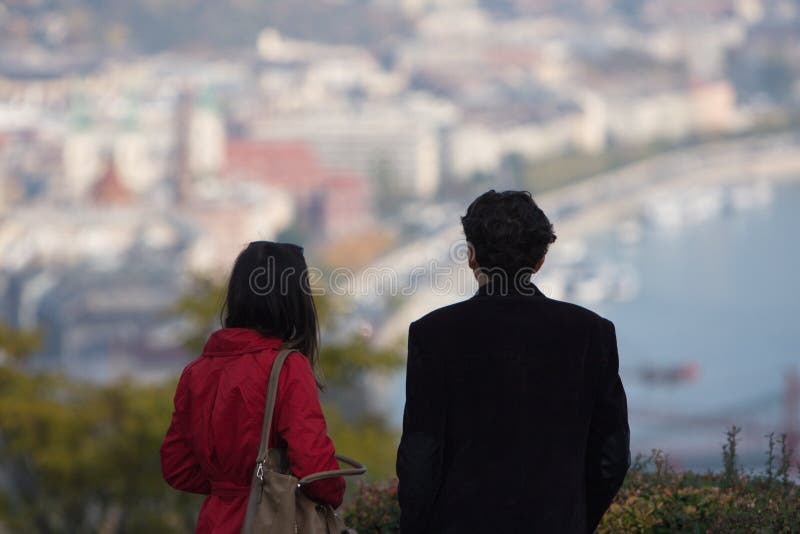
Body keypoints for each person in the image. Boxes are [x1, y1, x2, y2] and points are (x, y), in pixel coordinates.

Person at [396, 190, 630, 534]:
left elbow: (420, 458)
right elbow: (611, 456)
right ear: (539, 261)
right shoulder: (591, 333)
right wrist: (576, 518)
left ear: (471, 256)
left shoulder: (433, 335)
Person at [161, 241, 344, 533]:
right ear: (294, 301)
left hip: (214, 522)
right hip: (271, 521)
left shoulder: (196, 372)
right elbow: (315, 468)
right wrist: (334, 492)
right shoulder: (287, 367)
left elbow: (176, 467)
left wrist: (227, 486)